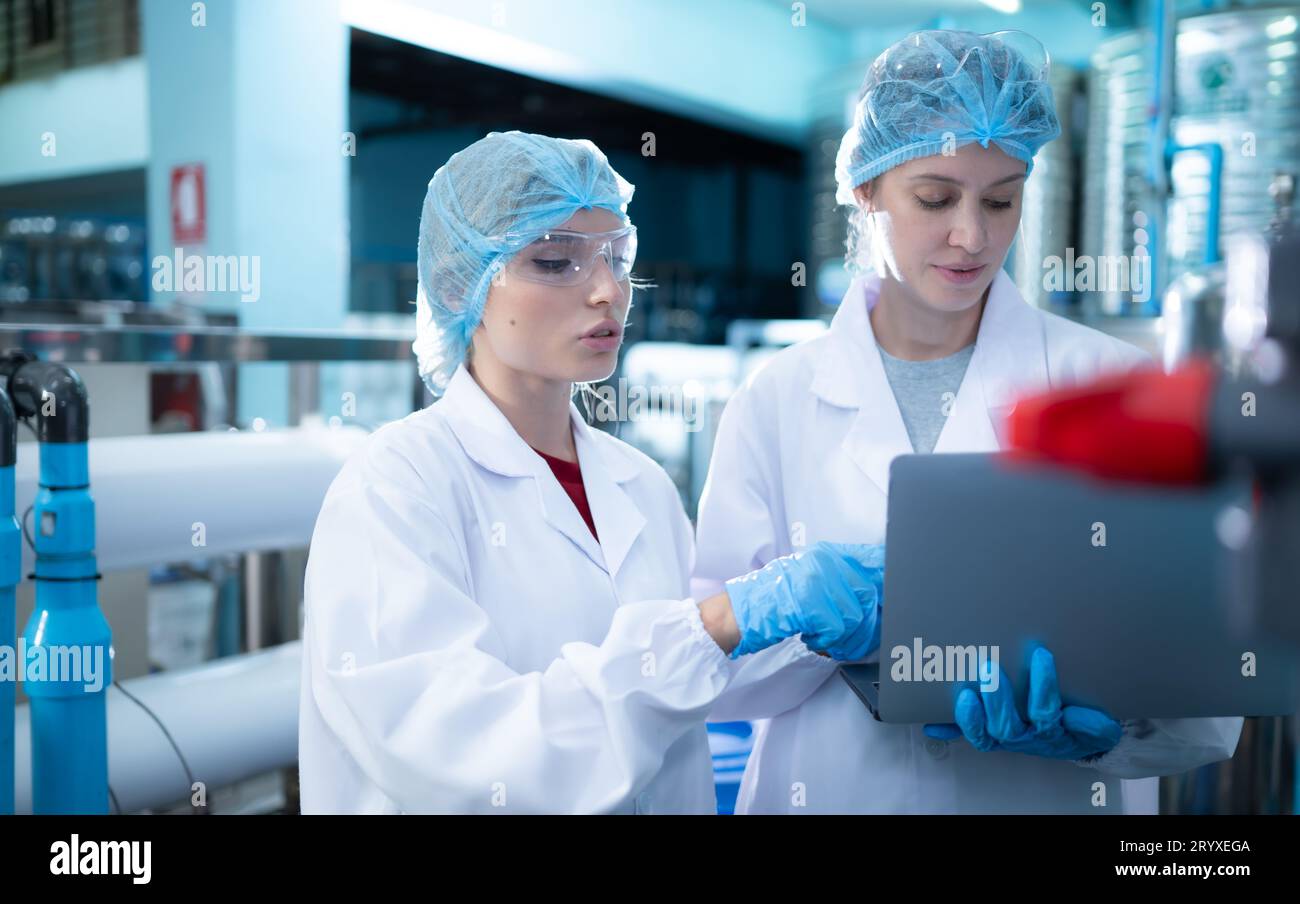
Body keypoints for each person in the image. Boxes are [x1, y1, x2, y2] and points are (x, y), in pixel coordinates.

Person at [693, 30, 1242, 814]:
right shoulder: (777, 397)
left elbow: (1205, 689)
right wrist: (809, 630)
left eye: (1001, 198)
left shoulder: (1112, 383)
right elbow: (709, 673)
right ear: (866, 190)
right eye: (935, 197)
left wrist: (1106, 730)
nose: (972, 236)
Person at [297, 131, 885, 814]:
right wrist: (724, 618)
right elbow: (460, 749)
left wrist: (818, 630)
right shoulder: (396, 486)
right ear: (466, 283)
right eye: (555, 261)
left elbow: (691, 679)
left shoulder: (640, 484)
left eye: (616, 257)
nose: (608, 291)